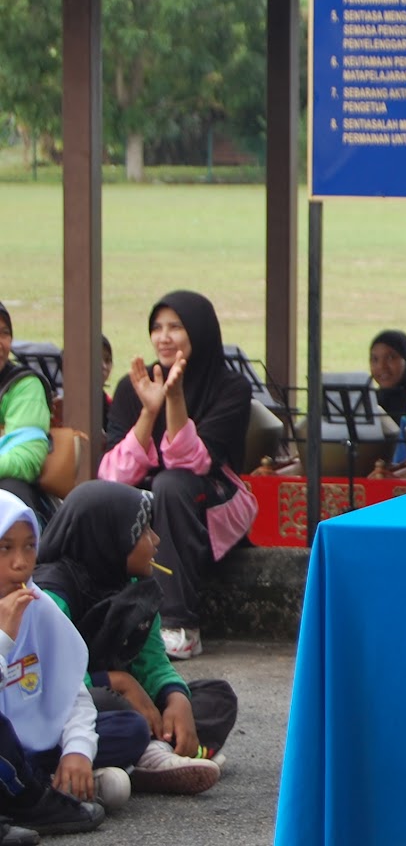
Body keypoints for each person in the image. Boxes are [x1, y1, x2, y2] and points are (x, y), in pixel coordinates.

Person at [35, 481, 228, 798]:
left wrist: (175, 697)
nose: (156, 540)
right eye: (143, 531)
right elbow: (44, 679)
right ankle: (148, 753)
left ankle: (151, 753)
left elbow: (153, 662)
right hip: (74, 704)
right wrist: (117, 682)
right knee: (119, 714)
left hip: (129, 703)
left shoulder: (136, 587)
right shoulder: (53, 594)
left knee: (217, 697)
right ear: (108, 537)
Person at [100, 291, 257, 661]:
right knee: (105, 496)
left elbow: (193, 463)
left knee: (170, 484)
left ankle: (180, 625)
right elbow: (113, 473)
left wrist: (174, 401)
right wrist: (148, 411)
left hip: (209, 495)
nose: (163, 337)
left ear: (199, 331)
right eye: (156, 328)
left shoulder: (231, 387)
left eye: (175, 327)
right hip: (154, 493)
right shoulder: (133, 386)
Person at [0, 489, 109, 840]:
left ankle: (63, 777)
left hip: (35, 749)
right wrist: (4, 637)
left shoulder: (39, 606)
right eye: (5, 548)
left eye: (30, 546)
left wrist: (77, 751)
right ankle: (35, 798)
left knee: (127, 726)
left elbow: (71, 691)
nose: (20, 563)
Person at [0, 306, 55, 527]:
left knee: (9, 491)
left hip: (13, 492)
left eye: (4, 333)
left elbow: (26, 459)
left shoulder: (25, 386)